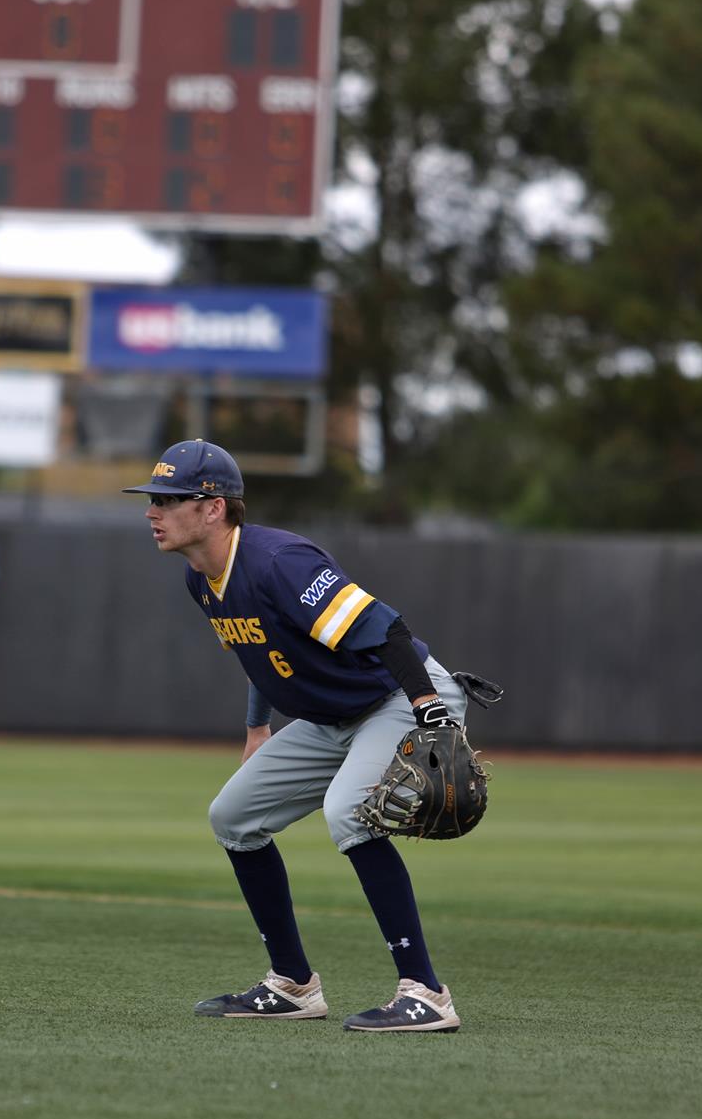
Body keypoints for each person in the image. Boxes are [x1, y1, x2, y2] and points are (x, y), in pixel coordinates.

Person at [124, 439, 478, 1033]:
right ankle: (292, 983)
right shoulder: (201, 577)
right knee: (233, 816)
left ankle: (427, 993)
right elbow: (260, 652)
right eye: (151, 499)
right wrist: (257, 728)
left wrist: (429, 710)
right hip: (329, 716)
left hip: (399, 695)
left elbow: (387, 629)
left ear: (213, 507)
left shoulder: (278, 562)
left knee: (348, 812)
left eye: (166, 498)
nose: (151, 511)